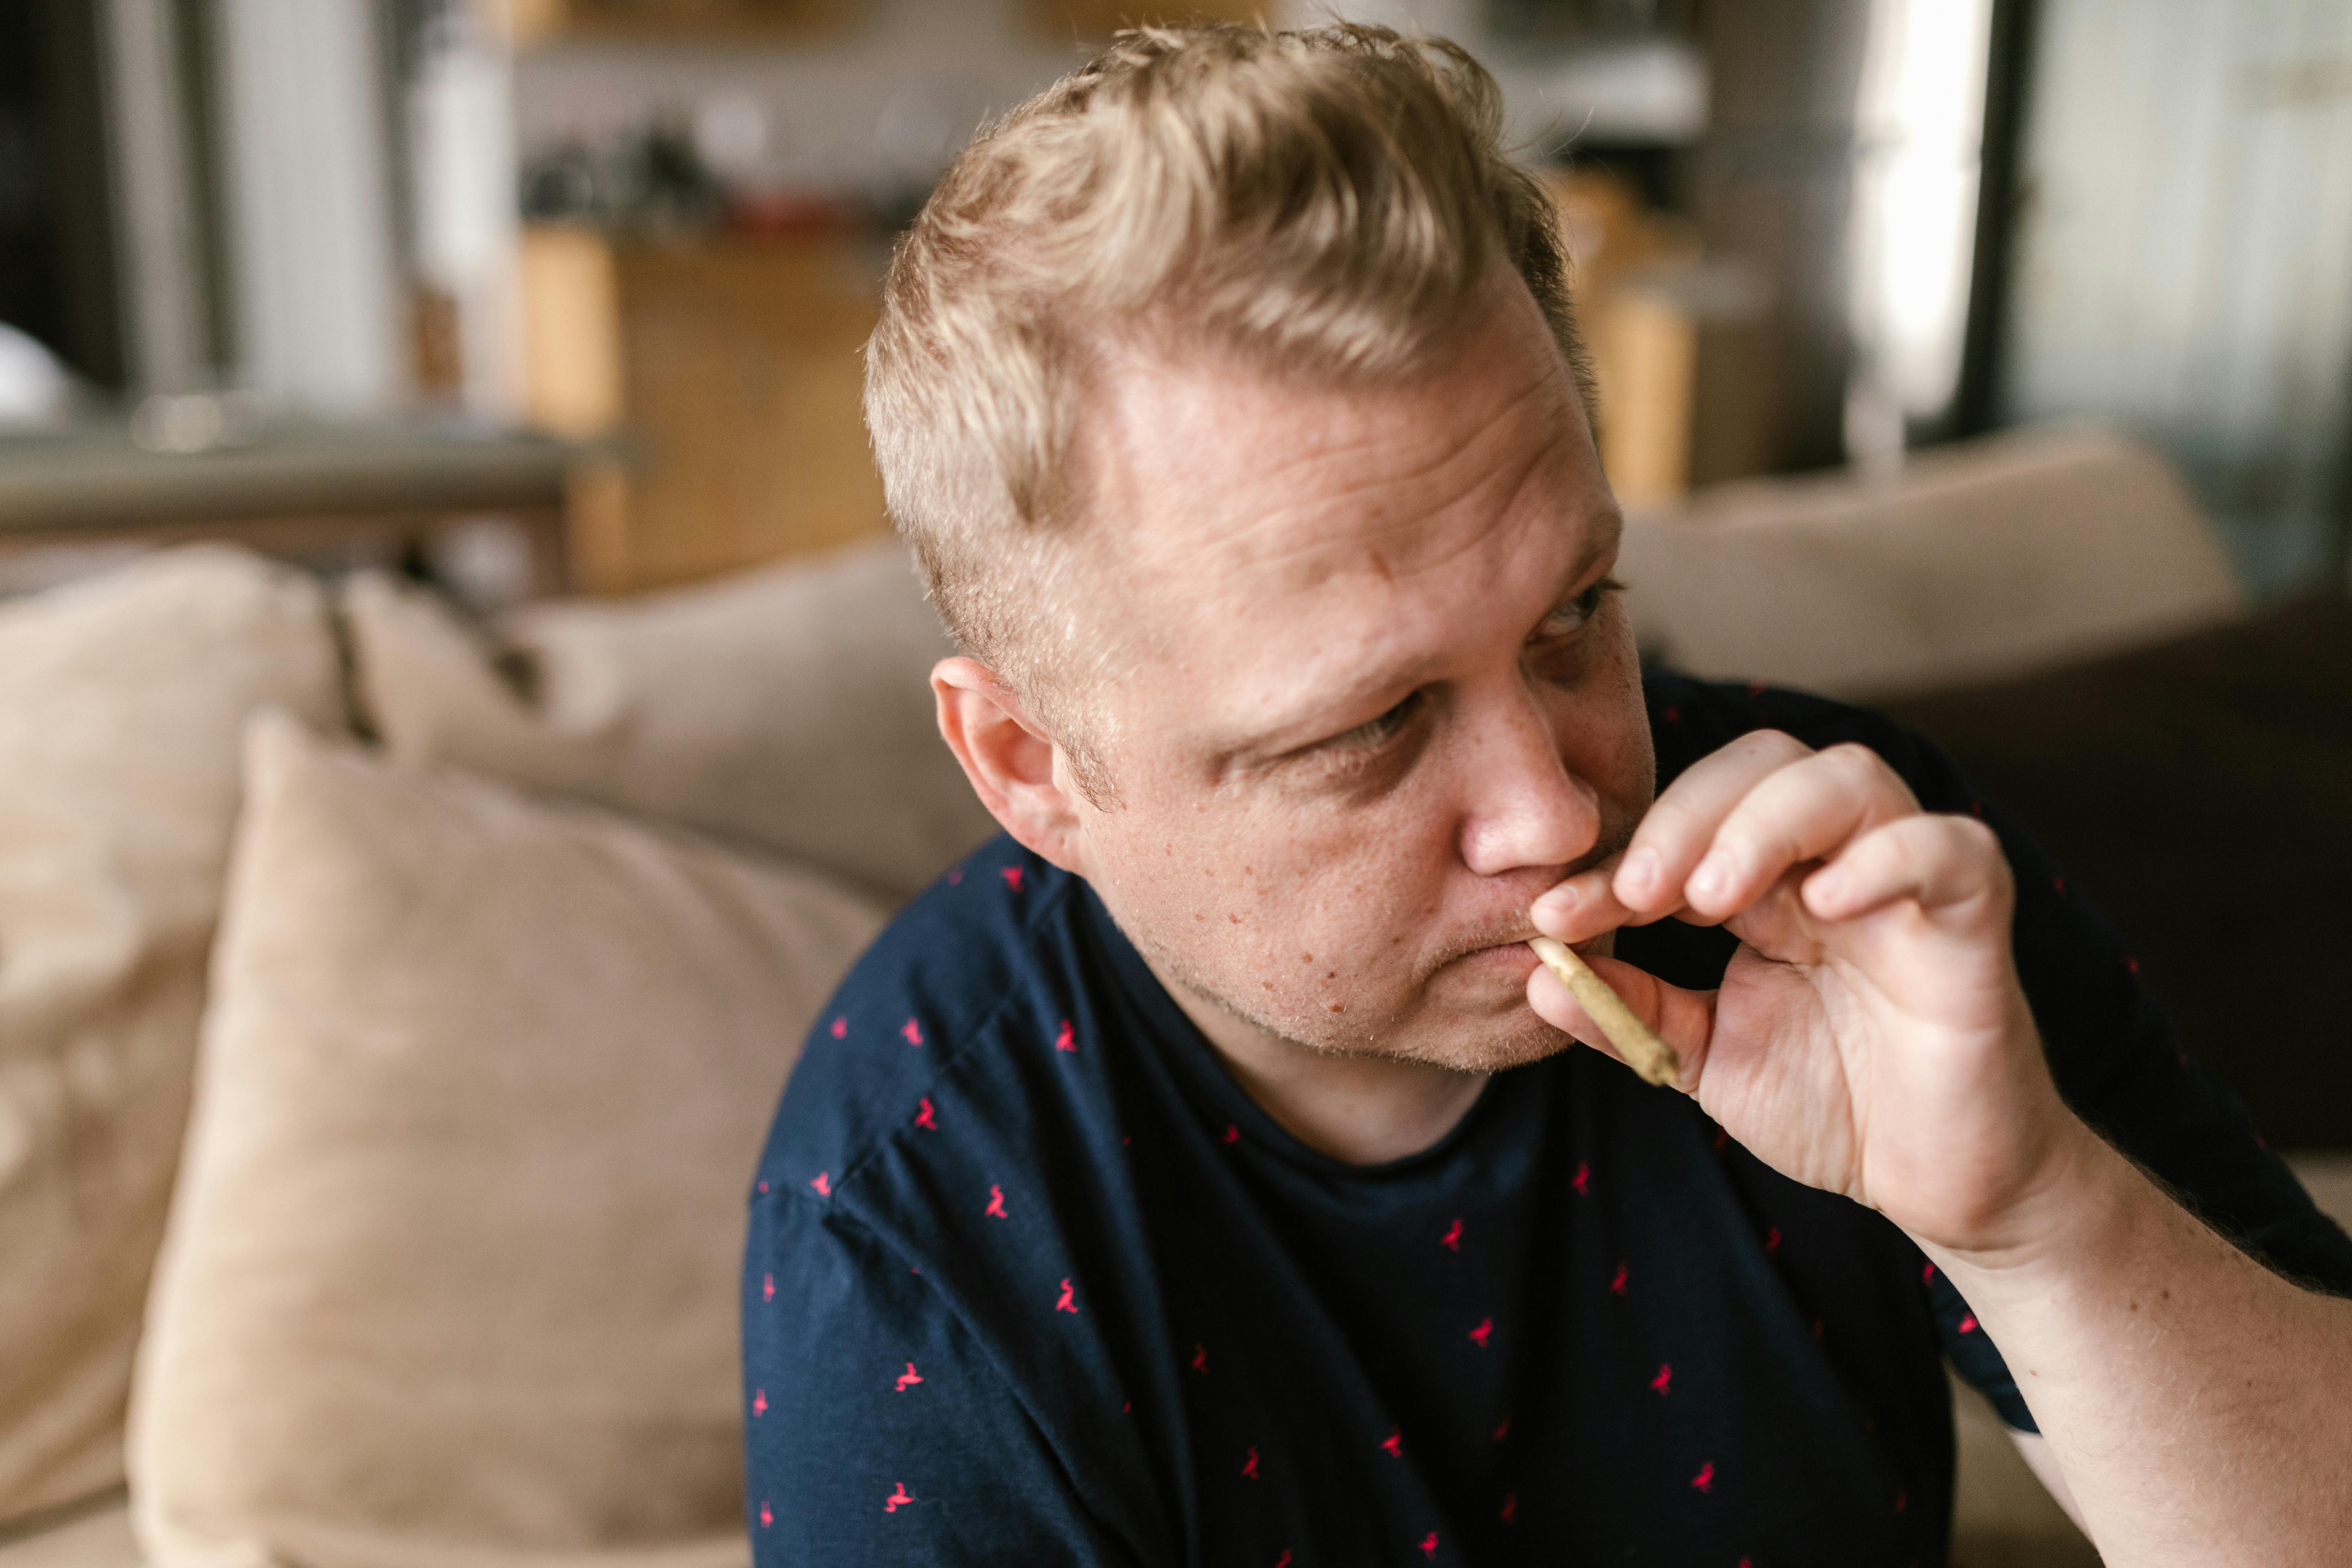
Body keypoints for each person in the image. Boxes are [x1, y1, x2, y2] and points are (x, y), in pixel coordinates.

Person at [742, 24, 2352, 1565]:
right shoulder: (907, 1233)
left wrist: (2037, 1216)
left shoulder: (1845, 878)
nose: (1559, 813)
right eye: (1372, 722)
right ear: (1031, 767)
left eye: (1573, 612)